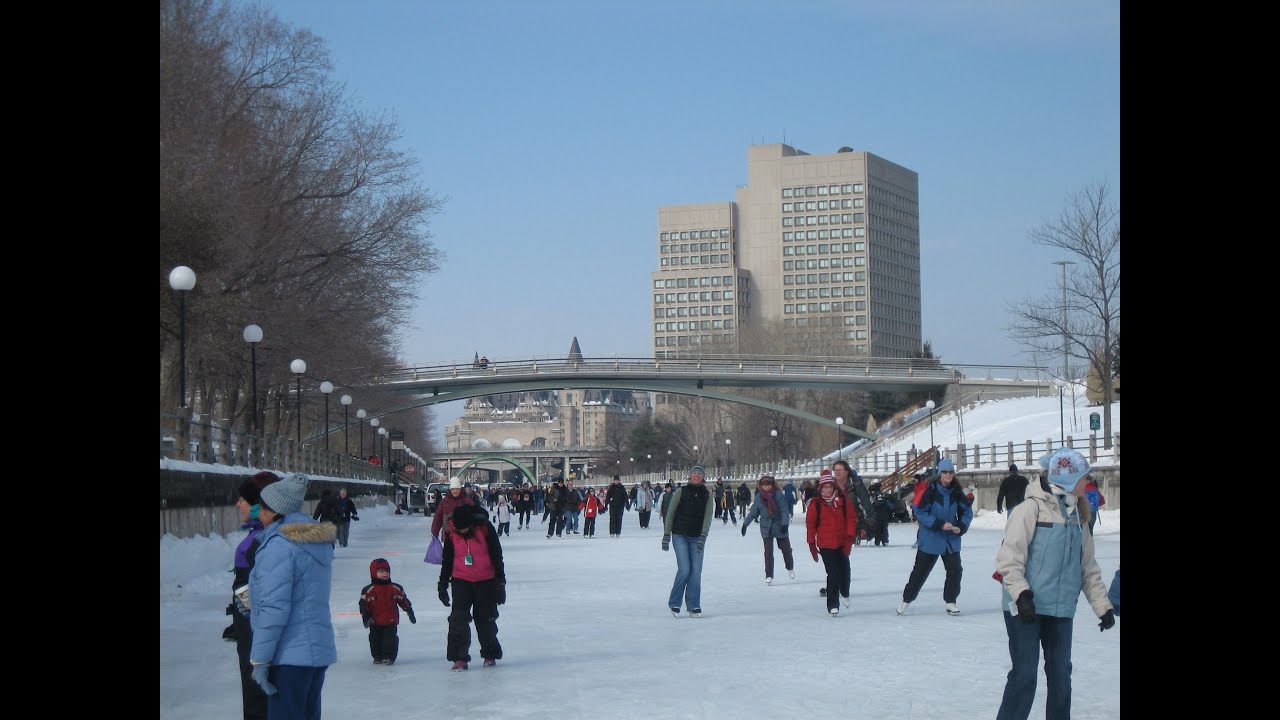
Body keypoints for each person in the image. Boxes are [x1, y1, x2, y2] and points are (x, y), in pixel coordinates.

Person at [994, 448, 1115, 720]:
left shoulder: (1078, 514)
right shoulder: (1030, 509)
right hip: (1025, 606)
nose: (1088, 482)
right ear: (1069, 478)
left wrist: (1102, 606)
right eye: (1085, 477)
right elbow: (1008, 559)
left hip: (1060, 608)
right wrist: (1022, 594)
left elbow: (1087, 566)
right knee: (1025, 675)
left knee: (1061, 675)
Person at [248, 473, 337, 720]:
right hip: (314, 652)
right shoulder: (311, 541)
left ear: (275, 511)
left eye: (262, 508)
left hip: (289, 656)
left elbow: (273, 609)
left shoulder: (280, 547)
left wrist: (260, 660)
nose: (259, 514)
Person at [228, 471, 280, 720]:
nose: (237, 504)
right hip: (250, 625)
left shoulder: (260, 540)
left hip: (255, 630)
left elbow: (260, 589)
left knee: (257, 692)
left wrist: (245, 614)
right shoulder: (259, 536)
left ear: (258, 505)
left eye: (242, 500)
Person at [897, 458, 972, 616]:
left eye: (951, 472)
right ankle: (906, 600)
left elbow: (967, 511)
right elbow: (919, 511)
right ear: (940, 473)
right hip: (931, 539)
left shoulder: (957, 492)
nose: (948, 475)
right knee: (920, 573)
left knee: (955, 571)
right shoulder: (930, 491)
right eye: (945, 472)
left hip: (950, 540)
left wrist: (961, 526)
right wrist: (938, 524)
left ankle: (951, 601)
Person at [438, 505, 506, 671]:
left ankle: (489, 654)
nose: (461, 531)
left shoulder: (485, 529)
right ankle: (459, 658)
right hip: (461, 581)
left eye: (464, 528)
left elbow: (497, 555)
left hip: (486, 581)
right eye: (459, 529)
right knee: (458, 619)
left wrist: (500, 583)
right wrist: (442, 584)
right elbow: (447, 560)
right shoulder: (452, 533)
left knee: (485, 619)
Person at [661, 465, 715, 618]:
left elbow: (708, 517)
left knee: (696, 571)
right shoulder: (681, 491)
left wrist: (703, 536)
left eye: (700, 473)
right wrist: (667, 534)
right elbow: (671, 513)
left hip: (697, 537)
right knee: (685, 569)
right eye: (694, 473)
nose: (697, 475)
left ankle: (693, 605)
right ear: (690, 475)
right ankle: (675, 602)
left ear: (703, 477)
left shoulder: (707, 495)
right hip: (680, 535)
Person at [806, 471, 856, 615]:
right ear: (820, 488)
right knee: (833, 573)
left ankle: (845, 592)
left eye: (830, 486)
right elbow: (811, 526)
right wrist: (811, 544)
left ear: (834, 487)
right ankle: (833, 604)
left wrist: (850, 537)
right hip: (826, 544)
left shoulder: (843, 500)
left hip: (842, 541)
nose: (828, 490)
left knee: (845, 570)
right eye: (825, 487)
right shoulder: (816, 504)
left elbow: (851, 518)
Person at [358, 558, 416, 665]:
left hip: (390, 620)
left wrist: (409, 611)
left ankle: (389, 657)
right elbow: (363, 605)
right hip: (374, 621)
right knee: (375, 640)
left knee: (390, 640)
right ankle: (377, 656)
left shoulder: (395, 588)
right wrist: (366, 617)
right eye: (380, 571)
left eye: (386, 571)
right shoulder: (368, 590)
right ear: (373, 573)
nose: (385, 573)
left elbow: (403, 600)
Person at [741, 475, 795, 585]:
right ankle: (769, 575)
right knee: (768, 552)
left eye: (768, 485)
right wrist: (745, 524)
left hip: (779, 525)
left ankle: (790, 567)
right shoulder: (758, 497)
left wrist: (785, 524)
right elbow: (753, 512)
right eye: (764, 485)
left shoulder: (778, 495)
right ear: (761, 486)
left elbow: (784, 510)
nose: (766, 487)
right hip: (766, 527)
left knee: (786, 549)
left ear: (772, 485)